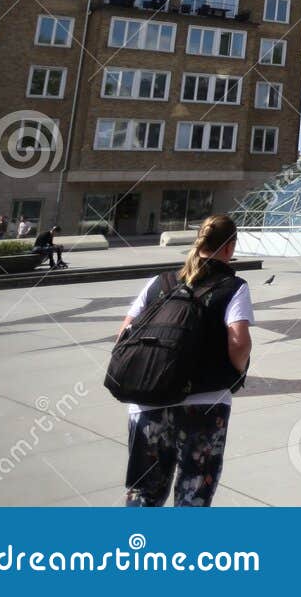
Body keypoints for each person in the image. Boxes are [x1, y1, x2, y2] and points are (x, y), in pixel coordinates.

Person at [118, 214, 252, 507]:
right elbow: (239, 344)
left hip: (147, 401)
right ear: (229, 247)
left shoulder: (160, 282)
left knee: (143, 493)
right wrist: (235, 374)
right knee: (193, 494)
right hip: (205, 403)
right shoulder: (233, 286)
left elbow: (123, 334)